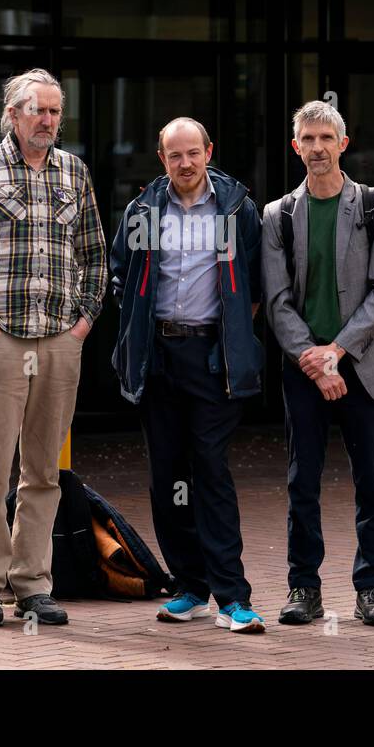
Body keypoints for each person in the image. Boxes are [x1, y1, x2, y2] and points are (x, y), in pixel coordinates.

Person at [0, 68, 107, 628]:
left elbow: (96, 258)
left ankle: (33, 584)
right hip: (2, 339)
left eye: (56, 112)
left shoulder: (73, 172)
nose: (48, 121)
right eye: (38, 110)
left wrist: (82, 324)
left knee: (44, 472)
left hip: (60, 340)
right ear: (12, 114)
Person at [109, 118, 267, 634]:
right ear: (162, 158)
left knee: (211, 471)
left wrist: (237, 337)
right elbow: (120, 273)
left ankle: (233, 597)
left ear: (208, 152)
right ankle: (190, 588)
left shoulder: (237, 209)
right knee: (167, 477)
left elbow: (257, 282)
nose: (185, 163)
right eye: (174, 155)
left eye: (193, 153)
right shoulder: (142, 211)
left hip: (211, 357)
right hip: (158, 358)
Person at [261, 100, 374, 628]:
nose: (318, 148)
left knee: (370, 480)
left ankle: (371, 588)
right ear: (296, 146)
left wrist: (338, 352)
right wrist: (315, 359)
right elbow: (278, 300)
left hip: (364, 363)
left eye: (327, 138)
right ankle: (303, 587)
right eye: (308, 139)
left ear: (343, 145)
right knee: (302, 481)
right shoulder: (278, 213)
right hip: (305, 365)